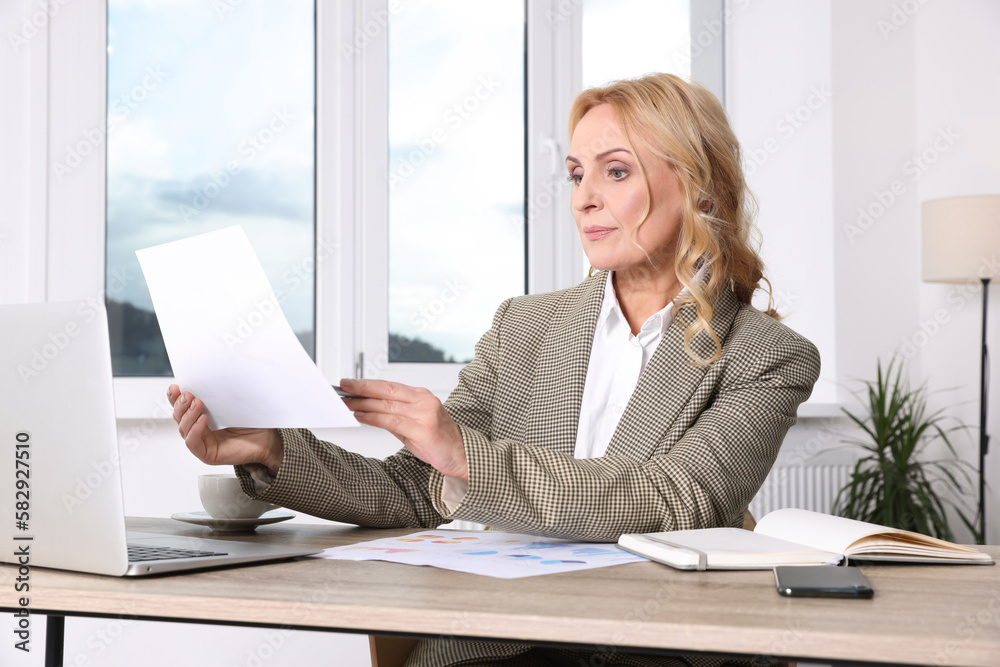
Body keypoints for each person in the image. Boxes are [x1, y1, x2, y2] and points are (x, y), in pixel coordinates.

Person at [169, 73, 820, 667]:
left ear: (697, 183)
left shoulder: (769, 356)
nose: (585, 199)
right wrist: (269, 446)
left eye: (615, 172)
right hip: (502, 637)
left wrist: (469, 458)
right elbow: (414, 491)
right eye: (575, 174)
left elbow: (676, 498)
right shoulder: (524, 327)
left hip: (653, 644)